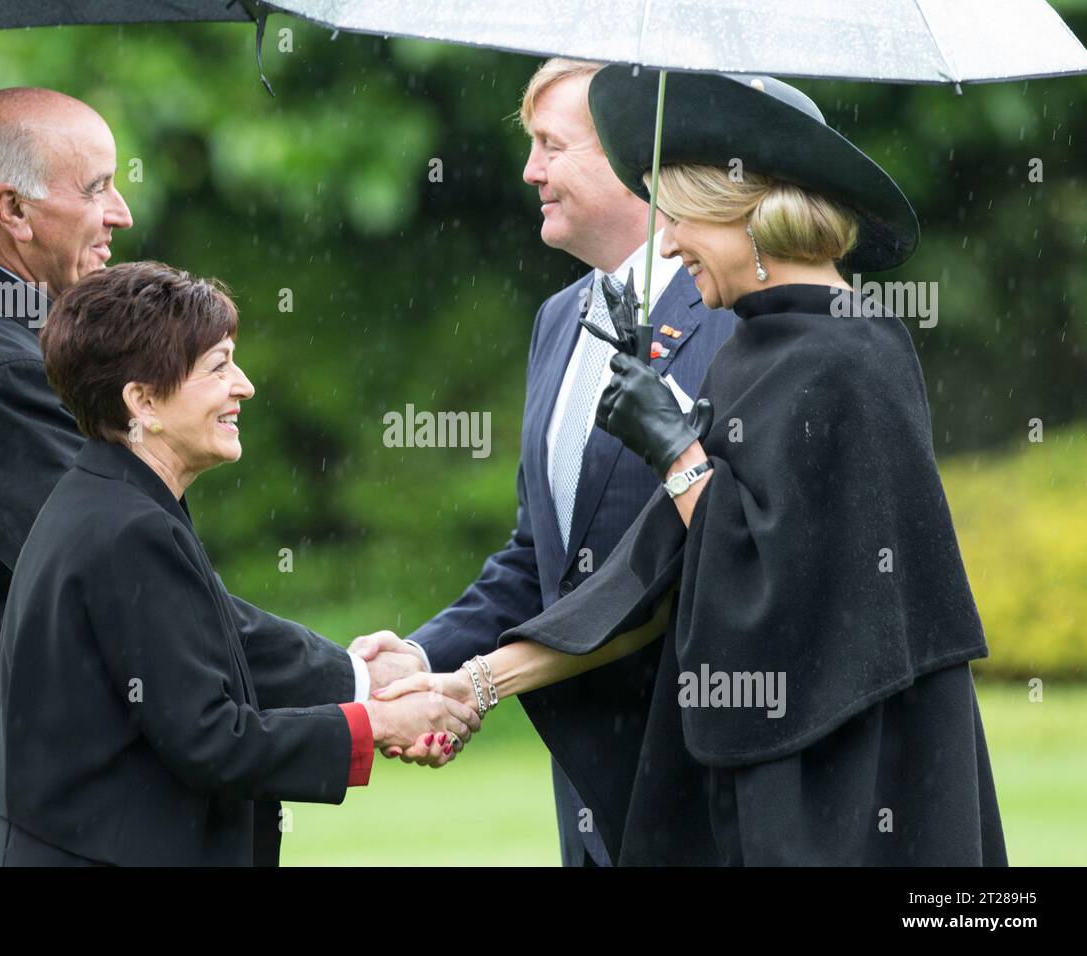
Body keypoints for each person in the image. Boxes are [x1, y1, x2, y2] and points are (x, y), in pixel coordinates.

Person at [378, 69, 1006, 866]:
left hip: (855, 788)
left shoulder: (855, 355)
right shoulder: (751, 353)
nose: (667, 241)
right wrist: (473, 683)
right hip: (755, 777)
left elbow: (772, 593)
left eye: (680, 218)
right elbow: (649, 582)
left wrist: (677, 454)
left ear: (750, 216)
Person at [0, 88, 421, 866]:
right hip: (28, 821)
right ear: (14, 211)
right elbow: (145, 591)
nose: (122, 212)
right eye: (96, 187)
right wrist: (357, 679)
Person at [0, 262, 477, 866]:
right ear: (142, 401)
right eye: (218, 367)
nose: (243, 386)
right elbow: (210, 739)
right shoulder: (127, 528)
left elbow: (222, 639)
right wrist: (372, 725)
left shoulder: (111, 498)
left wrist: (365, 679)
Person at [377, 58, 737, 866]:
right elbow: (541, 555)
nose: (529, 169)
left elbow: (716, 552)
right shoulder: (558, 319)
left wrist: (481, 683)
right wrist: (424, 656)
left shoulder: (731, 311)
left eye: (550, 145)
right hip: (586, 775)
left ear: (628, 158)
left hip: (706, 764)